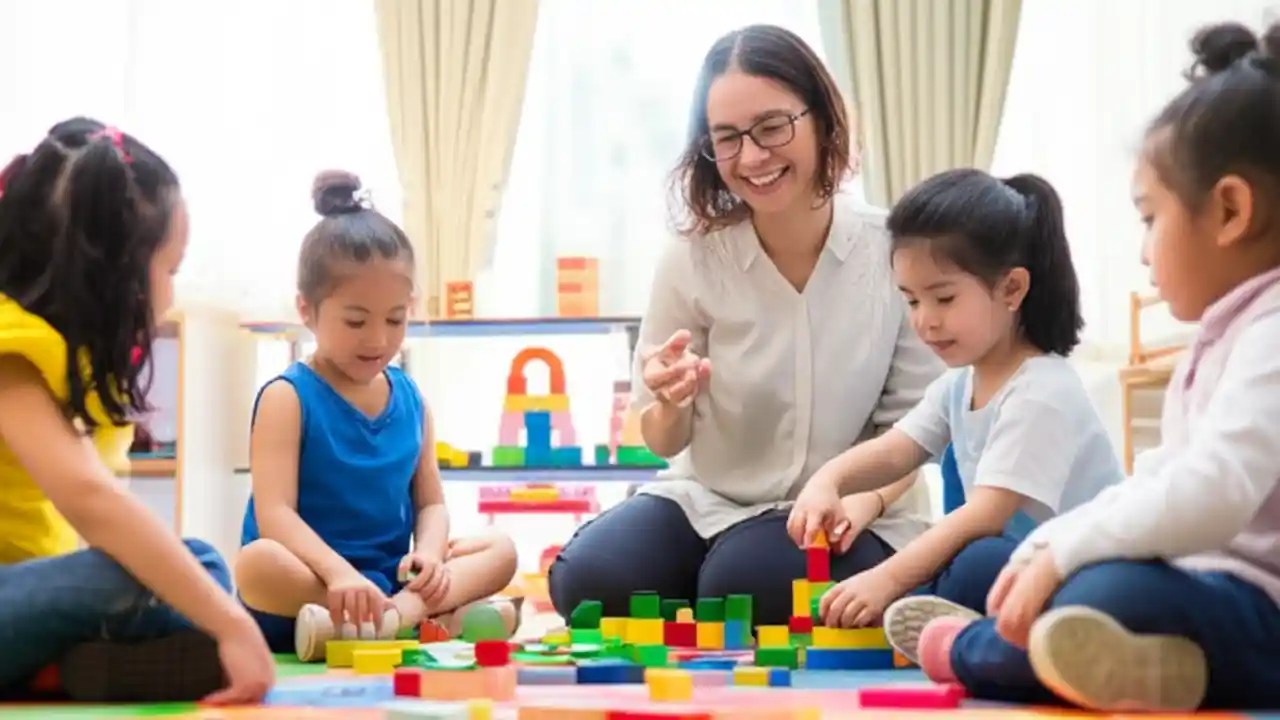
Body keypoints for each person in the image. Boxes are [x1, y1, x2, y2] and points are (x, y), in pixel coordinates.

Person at [905, 21, 1280, 712]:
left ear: (1229, 210)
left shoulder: (1271, 334)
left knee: (1098, 595)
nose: (1142, 253)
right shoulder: (1229, 334)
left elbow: (1214, 489)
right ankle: (1161, 671)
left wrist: (1063, 555)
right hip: (1219, 594)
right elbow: (1164, 475)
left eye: (1148, 218)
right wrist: (1051, 546)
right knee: (1082, 592)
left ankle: (969, 650)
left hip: (1261, 612)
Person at [548, 24, 944, 626]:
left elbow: (914, 429)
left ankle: (711, 584)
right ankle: (705, 580)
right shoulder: (691, 260)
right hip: (706, 500)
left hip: (847, 507)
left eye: (772, 127)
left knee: (748, 582)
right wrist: (672, 400)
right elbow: (660, 441)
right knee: (592, 578)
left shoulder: (894, 252)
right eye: (727, 138)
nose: (752, 157)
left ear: (822, 120)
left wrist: (860, 503)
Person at [786, 169, 1123, 662]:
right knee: (939, 568)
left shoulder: (1042, 392)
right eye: (912, 301)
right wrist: (828, 481)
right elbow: (898, 450)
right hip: (1010, 566)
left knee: (970, 562)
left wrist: (888, 578)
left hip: (1078, 578)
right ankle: (964, 635)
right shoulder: (958, 385)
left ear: (1011, 290)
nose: (925, 320)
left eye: (943, 298)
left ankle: (985, 640)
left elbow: (986, 514)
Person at [0, 118, 273, 702]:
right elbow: (89, 500)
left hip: (22, 601)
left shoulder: (65, 363)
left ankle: (67, 671)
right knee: (142, 573)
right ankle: (64, 666)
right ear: (112, 271)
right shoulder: (9, 354)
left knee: (195, 561)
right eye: (169, 270)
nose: (171, 295)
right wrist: (232, 624)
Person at [234, 171, 519, 661]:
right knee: (255, 564)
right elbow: (274, 513)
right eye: (356, 321)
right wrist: (339, 575)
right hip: (313, 585)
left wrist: (429, 553)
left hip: (390, 581)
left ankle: (391, 619)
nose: (378, 339)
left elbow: (430, 503)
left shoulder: (411, 399)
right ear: (307, 310)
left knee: (501, 548)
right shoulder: (288, 397)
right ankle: (420, 621)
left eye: (395, 319)